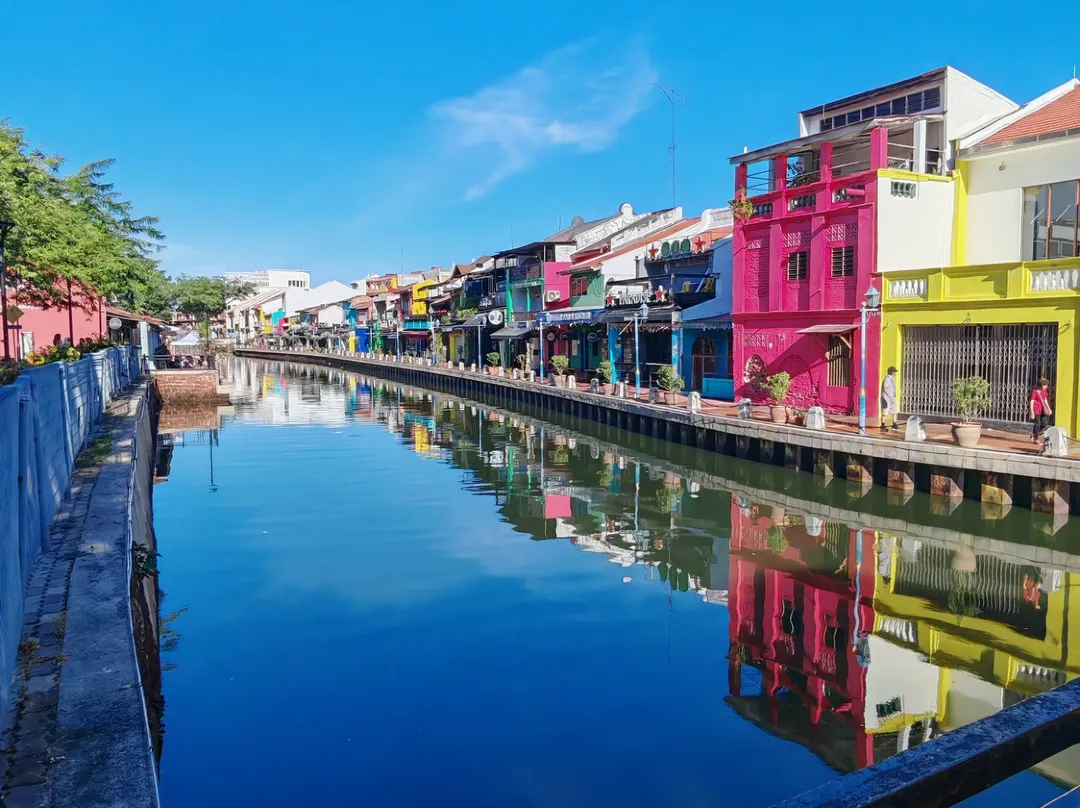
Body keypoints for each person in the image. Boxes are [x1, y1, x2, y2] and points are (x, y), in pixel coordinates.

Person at [1029, 377, 1053, 444]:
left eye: (1046, 385)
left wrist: (1048, 408)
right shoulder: (1035, 391)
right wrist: (1032, 412)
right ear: (1040, 385)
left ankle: (1034, 433)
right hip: (1036, 409)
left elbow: (1045, 400)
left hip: (1043, 409)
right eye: (1044, 385)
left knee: (1044, 423)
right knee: (1038, 423)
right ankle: (1036, 439)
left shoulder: (1044, 391)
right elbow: (1032, 401)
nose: (1046, 386)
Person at [880, 366, 899, 432]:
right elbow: (885, 389)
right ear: (892, 372)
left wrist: (893, 398)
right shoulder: (887, 379)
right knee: (884, 413)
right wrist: (890, 398)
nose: (895, 373)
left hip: (892, 398)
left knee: (894, 411)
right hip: (886, 399)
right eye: (894, 372)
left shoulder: (892, 378)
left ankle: (894, 424)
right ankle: (883, 425)